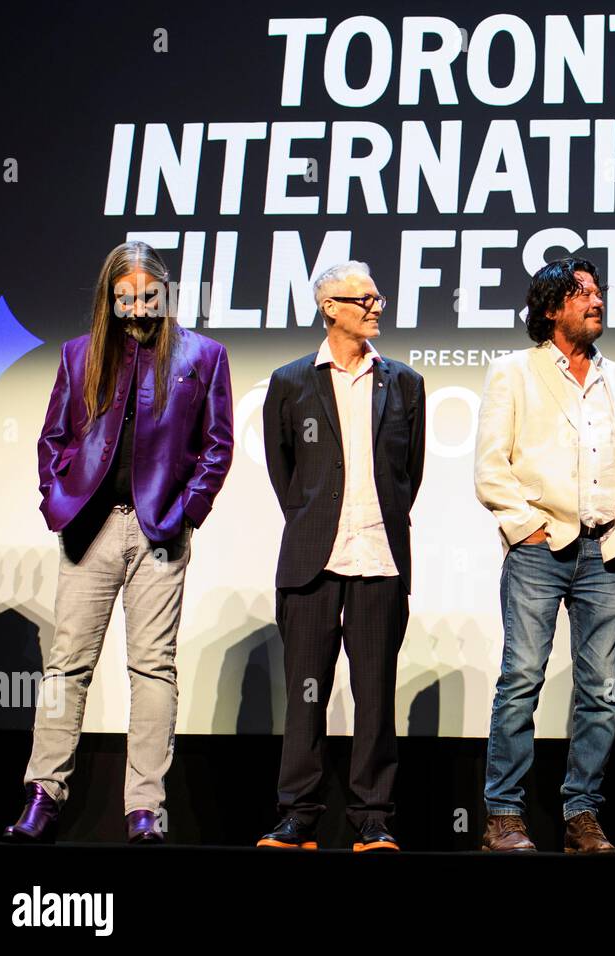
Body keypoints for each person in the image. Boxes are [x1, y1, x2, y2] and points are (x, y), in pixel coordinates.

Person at [5, 240, 233, 844]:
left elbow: (217, 445)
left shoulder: (203, 356)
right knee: (66, 668)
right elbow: (53, 436)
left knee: (153, 669)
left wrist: (189, 511)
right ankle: (41, 797)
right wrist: (57, 499)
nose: (136, 307)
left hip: (159, 530)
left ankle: (144, 809)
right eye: (124, 296)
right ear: (110, 297)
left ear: (165, 291)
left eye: (147, 295)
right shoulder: (80, 355)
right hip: (90, 528)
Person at [474, 257, 615, 853]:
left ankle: (582, 814)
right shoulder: (514, 373)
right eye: (581, 292)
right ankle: (503, 815)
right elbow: (490, 468)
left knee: (600, 688)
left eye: (598, 290)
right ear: (551, 308)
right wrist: (526, 527)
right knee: (521, 679)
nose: (595, 299)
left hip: (603, 554)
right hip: (538, 551)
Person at [257, 261, 425, 852]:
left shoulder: (404, 383)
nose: (377, 306)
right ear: (330, 307)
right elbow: (285, 472)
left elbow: (410, 472)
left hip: (380, 556)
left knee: (375, 694)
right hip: (312, 558)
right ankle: (297, 815)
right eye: (365, 298)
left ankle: (373, 816)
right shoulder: (289, 381)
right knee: (306, 690)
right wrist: (313, 522)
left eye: (379, 296)